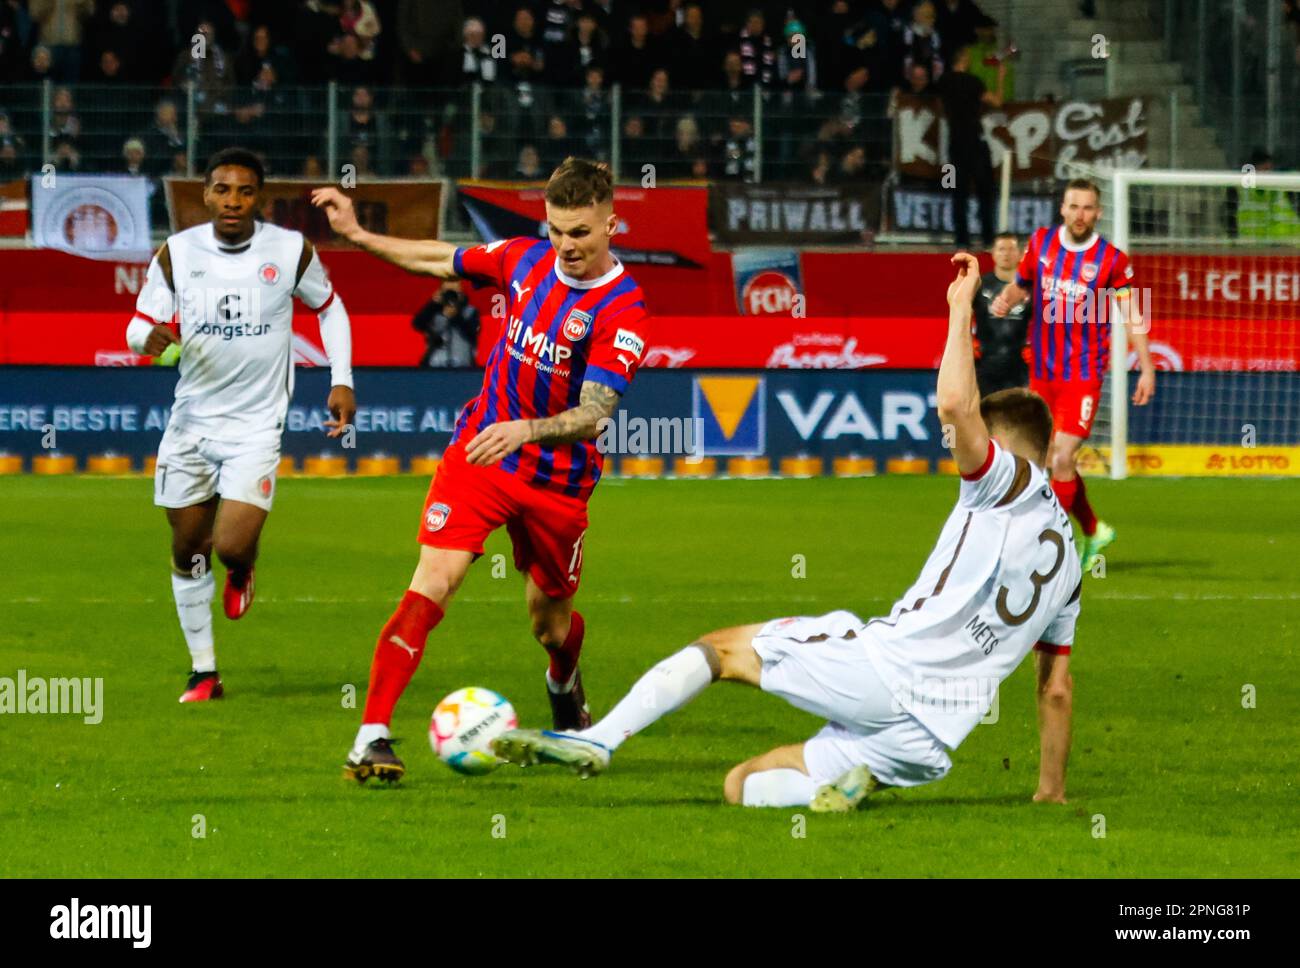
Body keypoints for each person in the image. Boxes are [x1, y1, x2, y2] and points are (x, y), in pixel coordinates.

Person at [493, 252, 1081, 812]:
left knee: (720, 649)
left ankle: (600, 739)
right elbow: (1055, 686)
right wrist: (1049, 791)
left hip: (886, 673)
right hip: (932, 740)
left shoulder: (1005, 477)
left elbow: (955, 404)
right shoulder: (1071, 566)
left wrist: (959, 309)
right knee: (741, 785)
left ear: (1002, 447)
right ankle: (850, 786)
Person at [312, 158, 652, 785]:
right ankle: (372, 737)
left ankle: (563, 681)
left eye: (579, 232)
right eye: (555, 230)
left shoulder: (622, 311)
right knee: (433, 579)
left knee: (549, 625)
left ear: (611, 223)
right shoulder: (522, 259)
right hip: (481, 453)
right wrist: (358, 236)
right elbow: (439, 259)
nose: (565, 246)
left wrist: (526, 430)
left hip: (557, 480)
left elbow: (596, 412)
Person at [125, 147, 357, 703]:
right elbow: (139, 323)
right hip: (190, 425)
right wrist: (146, 339)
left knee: (227, 545)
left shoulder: (290, 250)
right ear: (204, 195)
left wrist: (341, 378)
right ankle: (204, 672)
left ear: (259, 197)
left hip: (256, 426)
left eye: (244, 191)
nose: (232, 201)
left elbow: (330, 308)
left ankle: (242, 568)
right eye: (222, 190)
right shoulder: (177, 253)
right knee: (188, 549)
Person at [991, 178, 1156, 570]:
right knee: (1047, 460)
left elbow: (1131, 314)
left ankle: (1052, 552)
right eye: (1073, 206)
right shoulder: (1042, 244)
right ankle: (1095, 529)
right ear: (1062, 209)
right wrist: (1005, 300)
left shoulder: (1112, 260)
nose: (1080, 214)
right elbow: (1022, 284)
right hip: (1043, 372)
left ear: (1098, 213)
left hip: (1082, 375)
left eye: (1087, 208)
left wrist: (1147, 366)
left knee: (1063, 456)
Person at [935, 44, 1003, 249]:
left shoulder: (943, 82)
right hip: (975, 139)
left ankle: (962, 240)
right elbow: (997, 102)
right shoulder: (973, 82)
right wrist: (1000, 75)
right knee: (985, 190)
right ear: (963, 58)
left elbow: (939, 107)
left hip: (955, 141)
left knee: (958, 191)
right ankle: (988, 237)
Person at [972, 232, 1030, 394]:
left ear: (1020, 254)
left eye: (1011, 250)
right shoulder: (979, 285)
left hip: (1020, 367)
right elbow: (962, 317)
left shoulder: (1031, 288)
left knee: (1017, 416)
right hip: (985, 365)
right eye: (1001, 249)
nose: (1006, 254)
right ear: (992, 253)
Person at [411, 280, 480, 367]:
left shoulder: (470, 311)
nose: (451, 296)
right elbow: (417, 324)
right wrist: (432, 304)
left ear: (461, 293)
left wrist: (456, 315)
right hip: (435, 364)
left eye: (454, 292)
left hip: (463, 365)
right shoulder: (433, 310)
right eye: (448, 292)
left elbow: (472, 332)